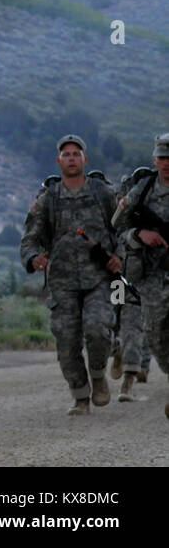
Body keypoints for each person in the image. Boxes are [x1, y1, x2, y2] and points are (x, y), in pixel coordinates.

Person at [19, 135, 121, 416]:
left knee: (98, 329)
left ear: (85, 160)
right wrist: (34, 258)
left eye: (77, 153)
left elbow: (123, 229)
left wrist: (119, 257)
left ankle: (98, 376)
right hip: (61, 282)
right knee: (66, 339)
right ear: (58, 161)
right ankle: (80, 396)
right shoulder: (48, 199)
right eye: (67, 154)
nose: (72, 158)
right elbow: (30, 238)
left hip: (99, 278)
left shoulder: (103, 194)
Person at [110, 132, 169, 411]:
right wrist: (139, 234)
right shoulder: (142, 189)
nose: (167, 163)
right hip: (152, 272)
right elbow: (117, 225)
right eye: (162, 158)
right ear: (155, 160)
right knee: (155, 332)